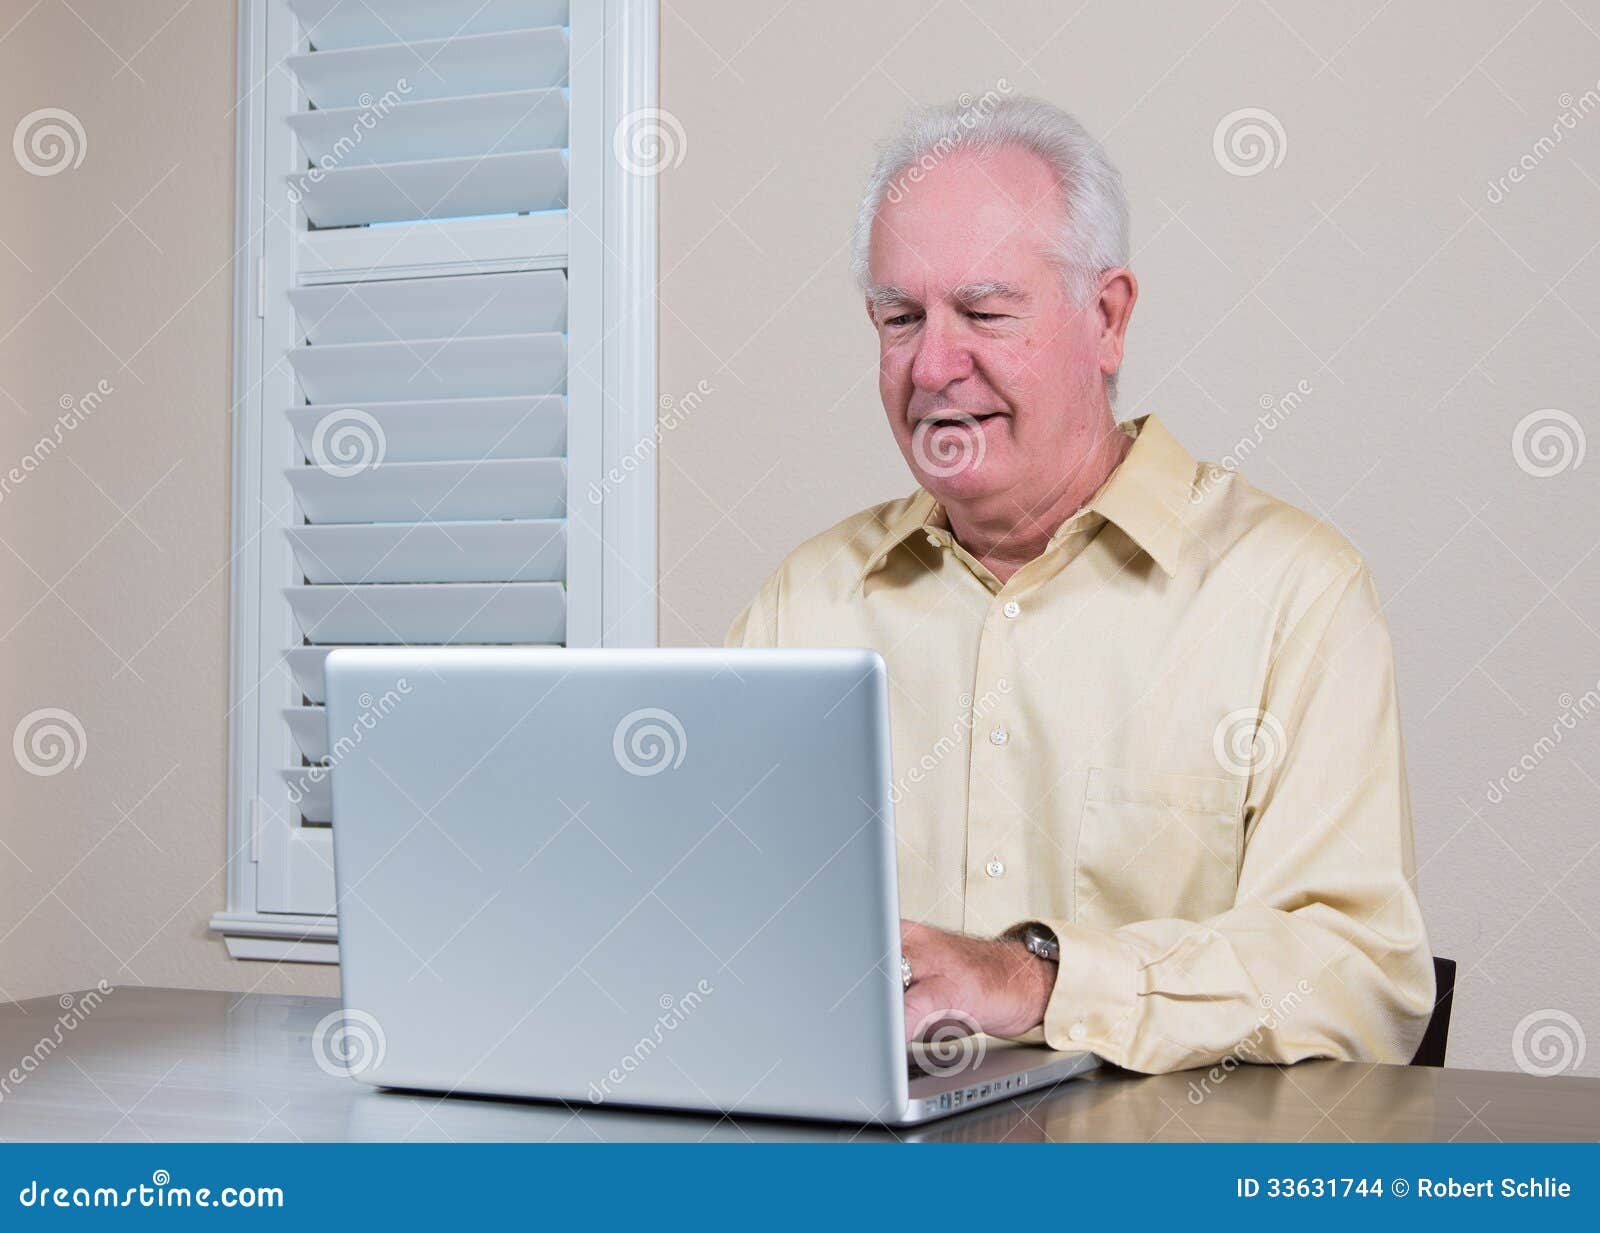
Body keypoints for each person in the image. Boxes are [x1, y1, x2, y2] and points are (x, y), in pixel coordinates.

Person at [725, 95, 1434, 1073]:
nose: (933, 364)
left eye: (983, 313)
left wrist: (1039, 980)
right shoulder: (804, 600)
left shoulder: (1291, 591)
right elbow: (707, 936)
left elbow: (1359, 979)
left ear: (1105, 319)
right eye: (899, 318)